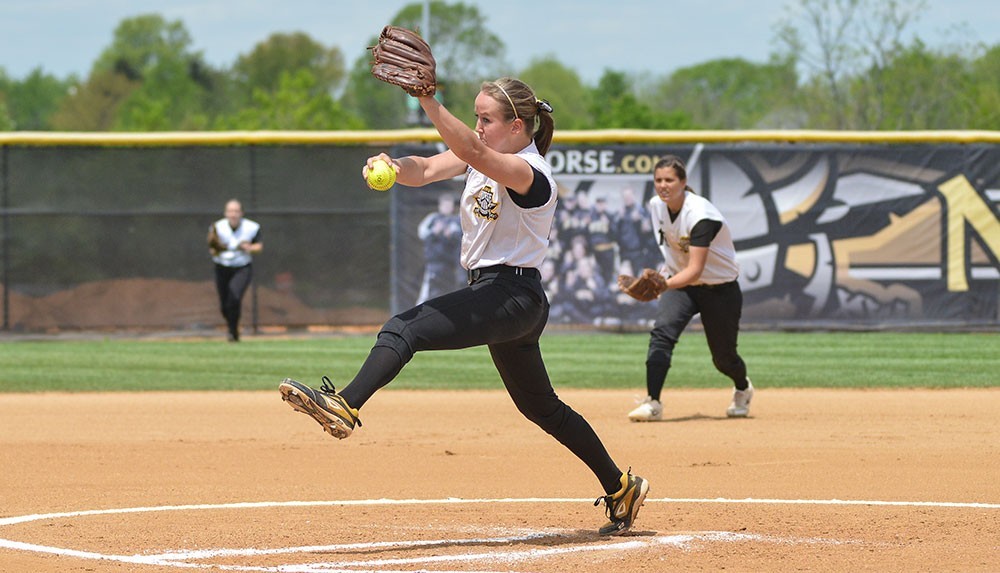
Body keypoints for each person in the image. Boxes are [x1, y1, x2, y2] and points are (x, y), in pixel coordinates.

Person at [279, 75, 648, 536]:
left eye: (486, 119)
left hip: (512, 292)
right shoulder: (482, 158)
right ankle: (622, 486)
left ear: (517, 126)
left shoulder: (532, 173)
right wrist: (393, 164)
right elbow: (429, 169)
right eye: (475, 117)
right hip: (502, 298)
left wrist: (427, 101)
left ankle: (345, 406)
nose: (478, 126)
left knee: (403, 328)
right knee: (542, 408)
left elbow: (474, 153)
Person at [627, 156, 754, 422]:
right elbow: (674, 252)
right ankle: (653, 402)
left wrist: (660, 286)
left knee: (724, 358)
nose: (663, 185)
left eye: (669, 180)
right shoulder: (656, 206)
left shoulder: (700, 215)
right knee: (661, 335)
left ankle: (742, 388)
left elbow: (695, 269)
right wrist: (664, 279)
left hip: (719, 288)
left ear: (683, 183)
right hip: (680, 286)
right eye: (658, 180)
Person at [207, 199, 262, 342]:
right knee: (224, 305)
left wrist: (249, 248)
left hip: (241, 267)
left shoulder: (251, 227)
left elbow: (259, 246)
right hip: (222, 266)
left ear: (241, 213)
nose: (233, 214)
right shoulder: (217, 227)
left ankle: (232, 332)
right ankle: (233, 328)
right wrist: (216, 249)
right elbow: (212, 249)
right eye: (230, 211)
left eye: (236, 211)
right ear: (225, 213)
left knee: (234, 298)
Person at [415, 193, 463, 304]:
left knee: (451, 293)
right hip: (434, 265)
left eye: (449, 204)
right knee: (427, 293)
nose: (447, 207)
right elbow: (422, 233)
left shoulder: (457, 220)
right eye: (445, 204)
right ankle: (418, 313)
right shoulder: (432, 219)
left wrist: (451, 234)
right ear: (440, 206)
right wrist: (434, 232)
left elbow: (462, 237)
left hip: (451, 266)